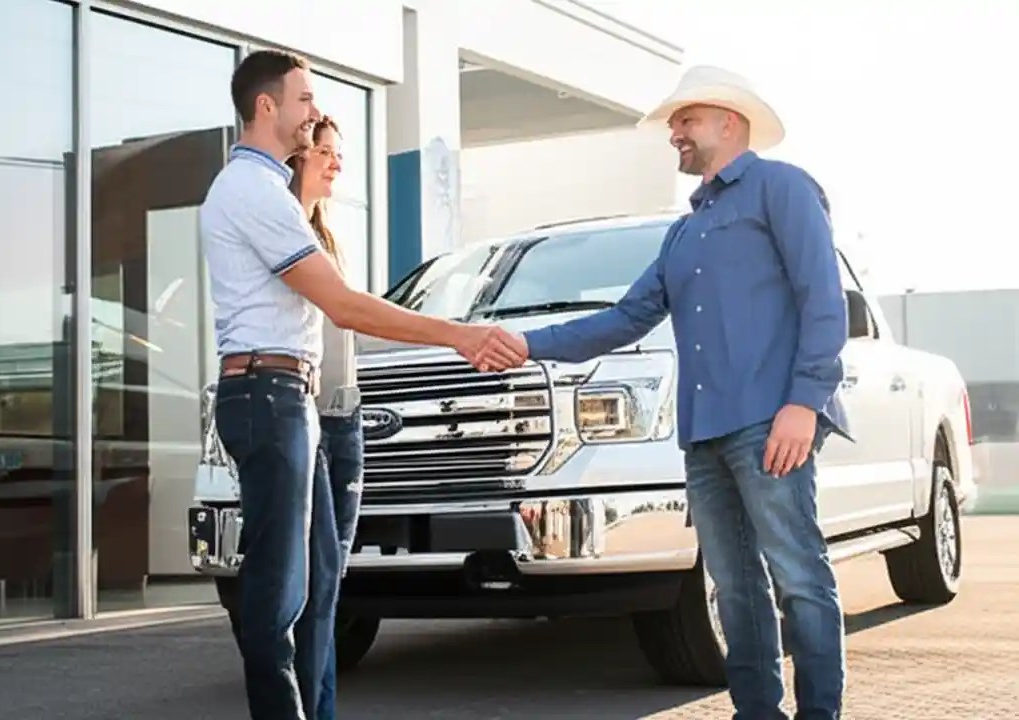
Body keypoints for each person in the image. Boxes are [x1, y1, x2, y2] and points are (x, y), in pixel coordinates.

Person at [502, 65, 850, 719]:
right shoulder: (684, 232)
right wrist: (526, 345)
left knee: (799, 577)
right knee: (733, 589)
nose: (674, 136)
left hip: (771, 422)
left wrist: (804, 403)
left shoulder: (783, 188)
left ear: (729, 121)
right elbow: (625, 319)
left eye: (684, 121)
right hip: (704, 435)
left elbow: (823, 301)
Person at [199, 49, 524, 720]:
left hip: (286, 395)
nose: (313, 113)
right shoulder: (252, 192)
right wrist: (458, 335)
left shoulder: (263, 190)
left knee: (305, 583)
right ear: (267, 107)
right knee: (279, 588)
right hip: (268, 394)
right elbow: (344, 306)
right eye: (304, 100)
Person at [286, 114, 362, 720]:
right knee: (313, 581)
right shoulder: (281, 226)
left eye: (340, 154)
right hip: (304, 420)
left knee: (328, 586)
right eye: (328, 152)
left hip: (345, 420)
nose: (337, 163)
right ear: (299, 154)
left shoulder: (326, 236)